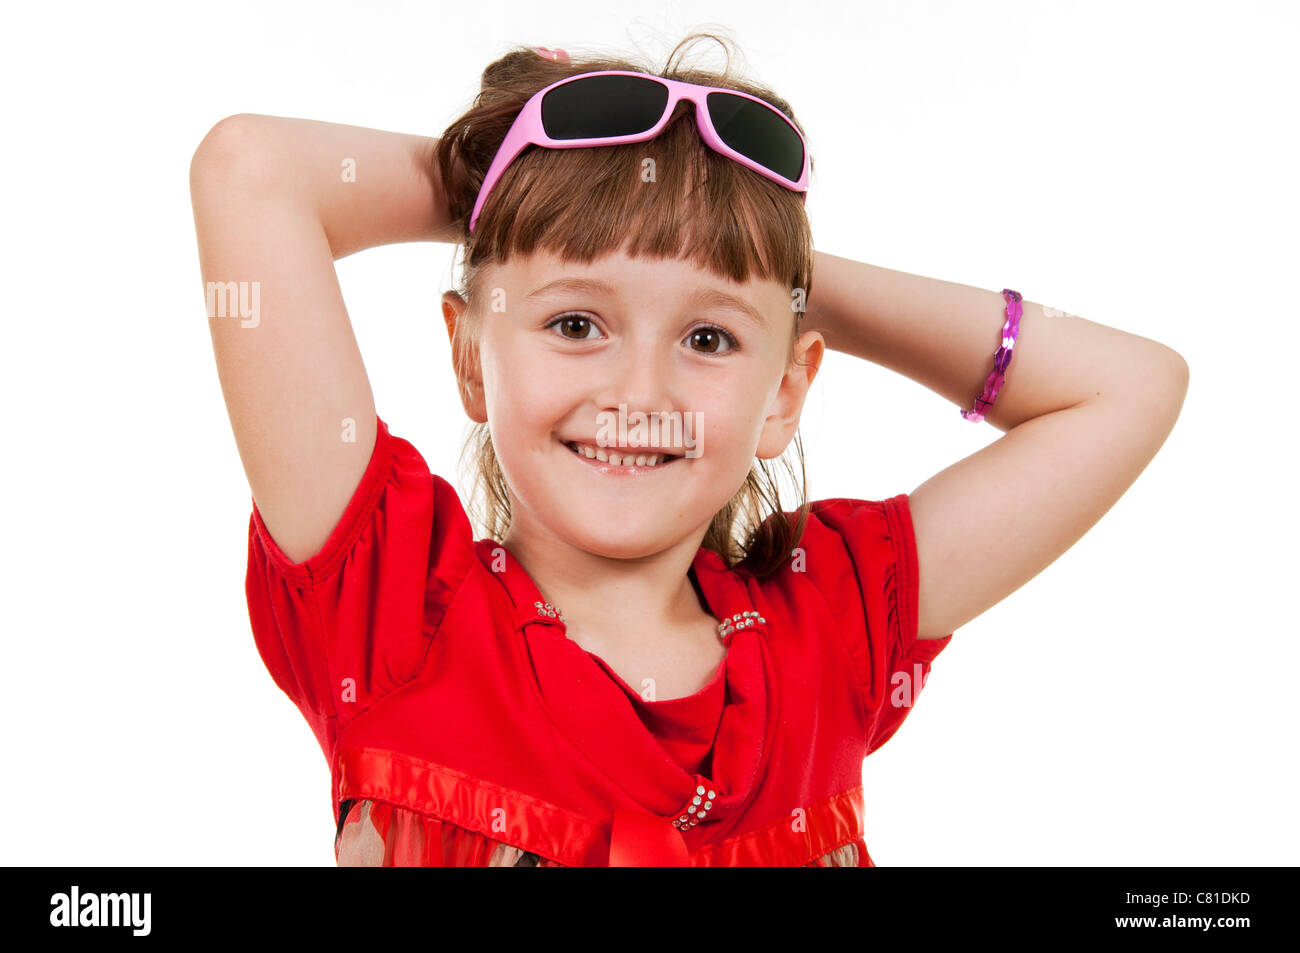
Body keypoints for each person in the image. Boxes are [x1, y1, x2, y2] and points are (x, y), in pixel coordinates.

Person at [188, 33, 1189, 866]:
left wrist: (763, 253)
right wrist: (595, 210)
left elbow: (1130, 386)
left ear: (784, 391)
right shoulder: (395, 614)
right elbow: (250, 170)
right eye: (576, 322)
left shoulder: (830, 630)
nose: (638, 392)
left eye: (709, 338)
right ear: (470, 355)